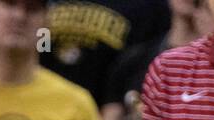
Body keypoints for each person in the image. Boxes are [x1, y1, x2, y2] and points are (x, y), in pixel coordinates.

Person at [41, 0, 171, 105]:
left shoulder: (147, 7)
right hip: (42, 101)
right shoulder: (43, 6)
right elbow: (40, 46)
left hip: (105, 107)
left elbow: (142, 62)